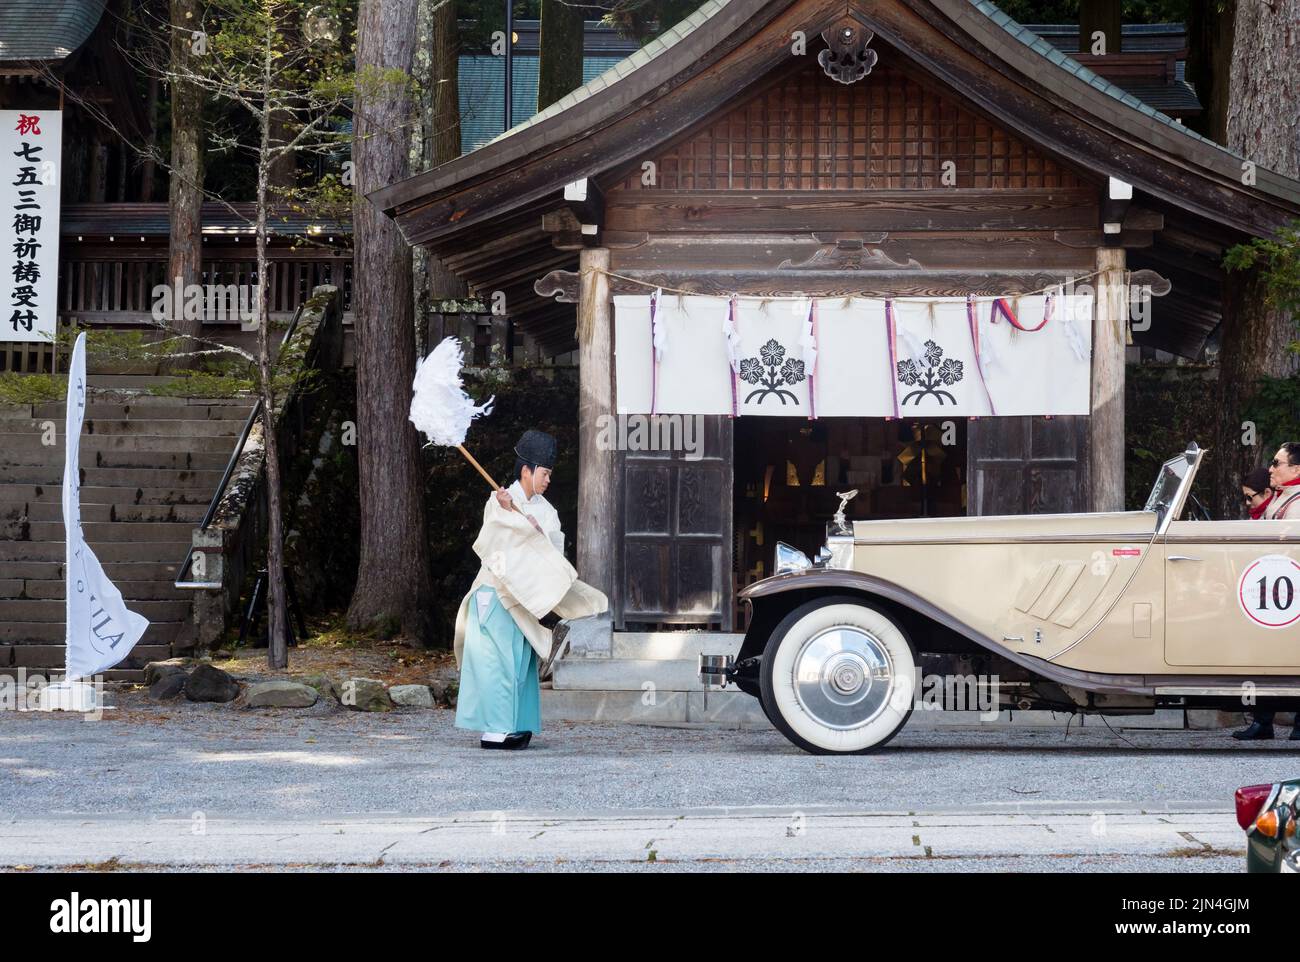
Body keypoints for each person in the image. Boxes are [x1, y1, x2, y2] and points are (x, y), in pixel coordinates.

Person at [452, 429, 608, 750]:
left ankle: (518, 725)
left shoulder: (547, 511)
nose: (548, 479)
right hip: (496, 592)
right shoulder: (498, 501)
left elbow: (552, 551)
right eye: (545, 473)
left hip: (527, 598)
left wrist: (535, 530)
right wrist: (518, 520)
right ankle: (495, 729)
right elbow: (496, 543)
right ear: (527, 470)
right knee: (496, 660)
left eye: (550, 474)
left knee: (521, 661)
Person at [1233, 461, 1300, 741]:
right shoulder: (1277, 504)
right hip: (1271, 592)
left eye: (1278, 463)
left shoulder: (1290, 503)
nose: (1249, 503)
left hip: (1286, 590)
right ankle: (1263, 721)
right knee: (1266, 659)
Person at [1263, 442, 1300, 520]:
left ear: (1296, 470)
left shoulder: (1297, 504)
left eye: (1275, 463)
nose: (1270, 470)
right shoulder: (1281, 493)